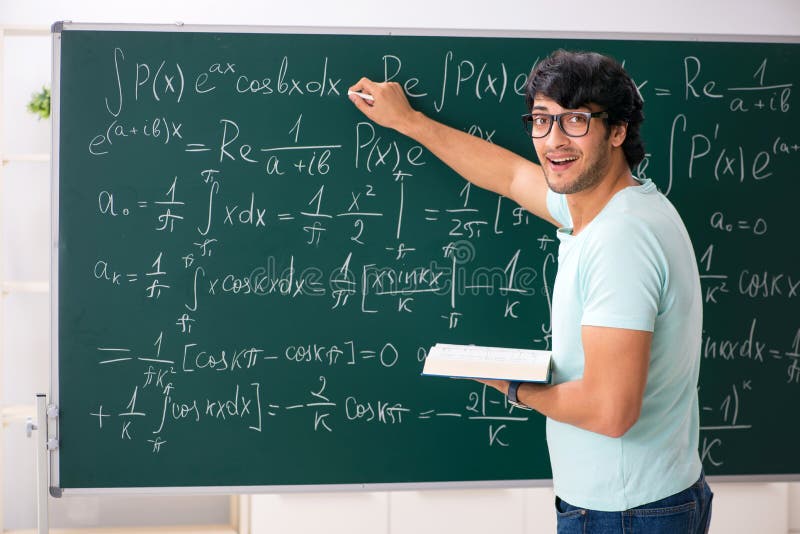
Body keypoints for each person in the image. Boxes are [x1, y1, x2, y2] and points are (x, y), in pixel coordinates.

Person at [349, 49, 713, 533]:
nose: (554, 140)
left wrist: (512, 386)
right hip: (644, 497)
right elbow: (510, 175)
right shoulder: (609, 205)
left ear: (618, 131)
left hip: (625, 511)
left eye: (576, 120)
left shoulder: (619, 239)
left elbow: (611, 412)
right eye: (542, 120)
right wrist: (409, 121)